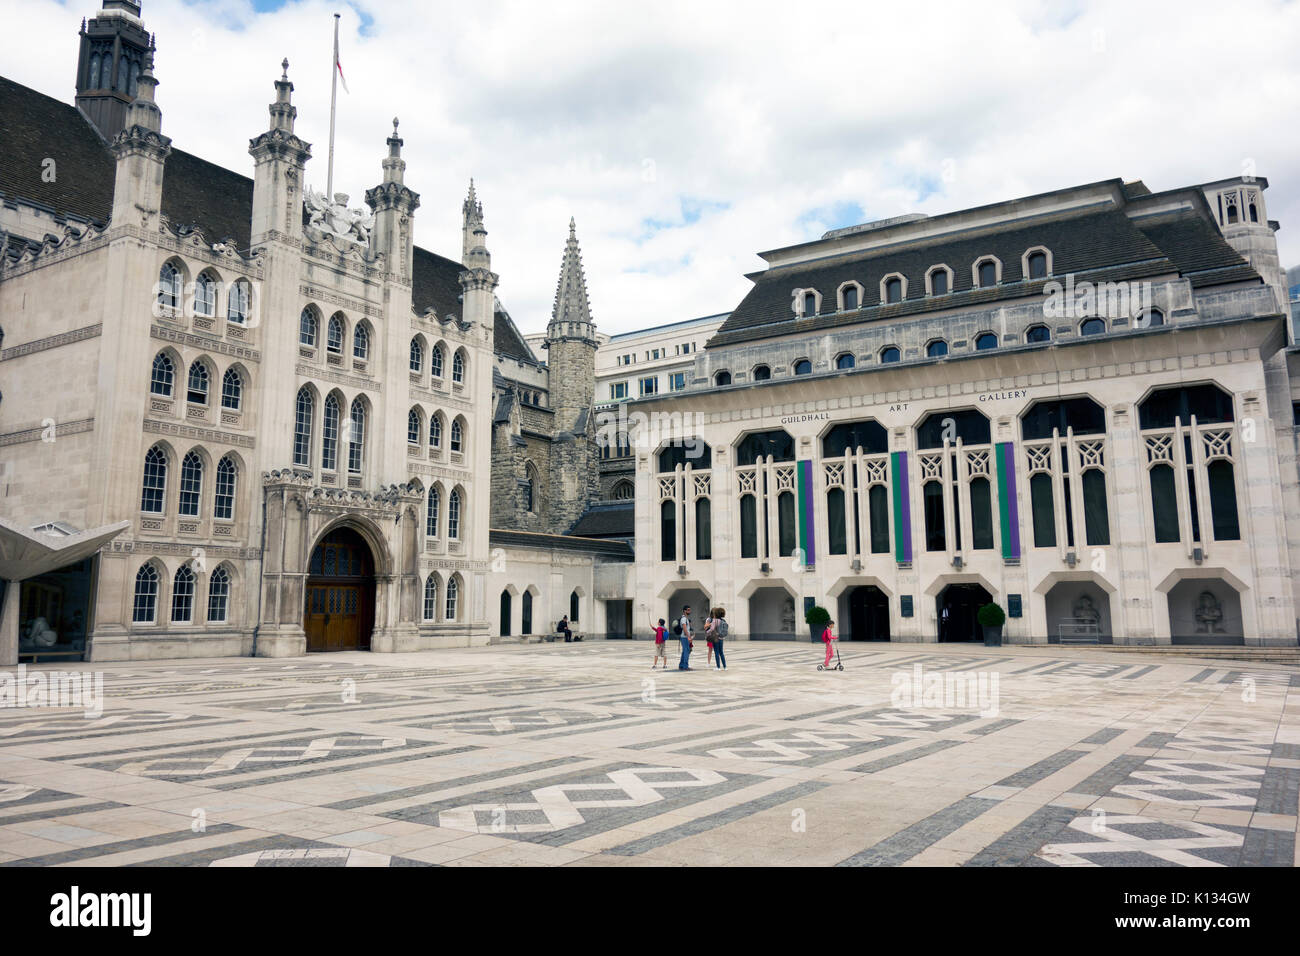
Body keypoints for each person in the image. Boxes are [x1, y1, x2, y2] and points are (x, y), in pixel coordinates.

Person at [677, 605, 693, 670]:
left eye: (690, 610)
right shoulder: (684, 619)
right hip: (684, 637)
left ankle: (681, 665)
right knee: (687, 651)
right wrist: (688, 637)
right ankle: (685, 666)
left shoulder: (685, 619)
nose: (689, 611)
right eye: (688, 610)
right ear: (684, 611)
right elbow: (684, 628)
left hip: (684, 637)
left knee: (685, 651)